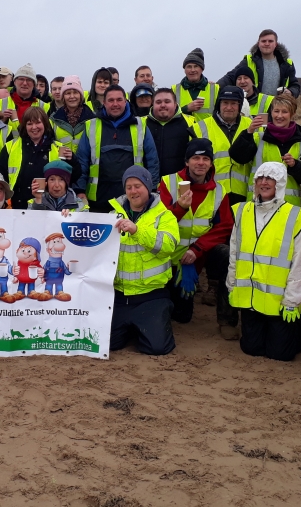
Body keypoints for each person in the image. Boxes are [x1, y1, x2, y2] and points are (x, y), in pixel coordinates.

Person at [226, 163, 301, 352]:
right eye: (260, 178)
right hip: (251, 298)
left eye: (270, 178)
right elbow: (234, 252)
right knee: (251, 349)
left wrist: (292, 301)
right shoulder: (242, 211)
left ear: (280, 183)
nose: (264, 182)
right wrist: (231, 284)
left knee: (280, 353)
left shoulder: (296, 216)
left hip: (280, 301)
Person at [159, 138, 235, 326]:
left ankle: (226, 320)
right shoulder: (168, 182)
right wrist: (180, 208)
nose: (201, 163)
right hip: (170, 257)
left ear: (211, 163)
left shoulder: (219, 191)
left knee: (227, 255)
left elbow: (225, 226)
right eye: (195, 158)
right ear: (186, 162)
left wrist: (197, 249)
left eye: (206, 159)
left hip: (199, 255)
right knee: (180, 316)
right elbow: (157, 222)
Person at [109, 166, 179, 355]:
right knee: (108, 344)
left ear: (148, 187)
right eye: (129, 187)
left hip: (151, 295)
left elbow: (168, 245)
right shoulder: (112, 216)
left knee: (157, 348)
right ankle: (131, 326)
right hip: (120, 296)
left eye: (138, 186)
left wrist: (137, 231)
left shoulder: (164, 216)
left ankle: (147, 323)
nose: (133, 191)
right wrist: (67, 217)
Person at [75, 85, 159, 213]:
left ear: (125, 102)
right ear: (104, 103)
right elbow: (82, 162)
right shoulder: (91, 126)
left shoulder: (140, 125)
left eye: (119, 100)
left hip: (133, 200)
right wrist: (80, 191)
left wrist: (151, 189)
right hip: (97, 201)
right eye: (111, 100)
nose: (115, 104)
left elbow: (152, 160)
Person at [229, 94, 301, 207]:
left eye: (284, 112)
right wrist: (248, 132)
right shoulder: (258, 138)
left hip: (289, 209)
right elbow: (237, 157)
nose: (279, 116)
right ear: (271, 113)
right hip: (258, 206)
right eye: (276, 111)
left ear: (292, 114)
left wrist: (295, 165)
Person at [0, 107, 78, 209]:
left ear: (45, 124)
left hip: (49, 208)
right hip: (17, 207)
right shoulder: (10, 147)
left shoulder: (58, 148)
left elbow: (73, 177)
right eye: (29, 124)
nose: (34, 127)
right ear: (24, 126)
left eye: (38, 123)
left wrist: (72, 160)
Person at [192, 86, 252, 204]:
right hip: (212, 194)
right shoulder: (198, 128)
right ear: (219, 104)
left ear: (240, 105)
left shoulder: (252, 126)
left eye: (233, 103)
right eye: (225, 102)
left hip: (244, 194)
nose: (229, 107)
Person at [220, 29, 300, 98]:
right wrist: (213, 87)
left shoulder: (287, 63)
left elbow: (295, 85)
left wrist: (291, 92)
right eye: (263, 41)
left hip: (277, 109)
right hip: (256, 107)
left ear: (276, 44)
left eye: (270, 41)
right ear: (258, 44)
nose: (267, 44)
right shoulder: (249, 60)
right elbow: (230, 77)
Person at [146, 88, 195, 179]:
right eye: (158, 102)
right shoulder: (141, 124)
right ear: (152, 104)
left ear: (175, 104)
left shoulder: (191, 123)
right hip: (147, 184)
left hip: (180, 183)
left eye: (167, 101)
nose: (163, 105)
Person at [51, 76, 96, 153]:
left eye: (75, 92)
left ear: (80, 95)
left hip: (85, 164)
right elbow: (52, 144)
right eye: (68, 93)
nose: (72, 96)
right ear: (63, 97)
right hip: (61, 163)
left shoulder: (93, 118)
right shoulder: (53, 119)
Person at [174, 48, 218, 119]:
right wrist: (186, 109)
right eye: (189, 67)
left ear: (202, 69)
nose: (192, 70)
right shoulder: (174, 90)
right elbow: (168, 114)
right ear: (184, 70)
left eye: (196, 66)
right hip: (182, 130)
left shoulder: (215, 88)